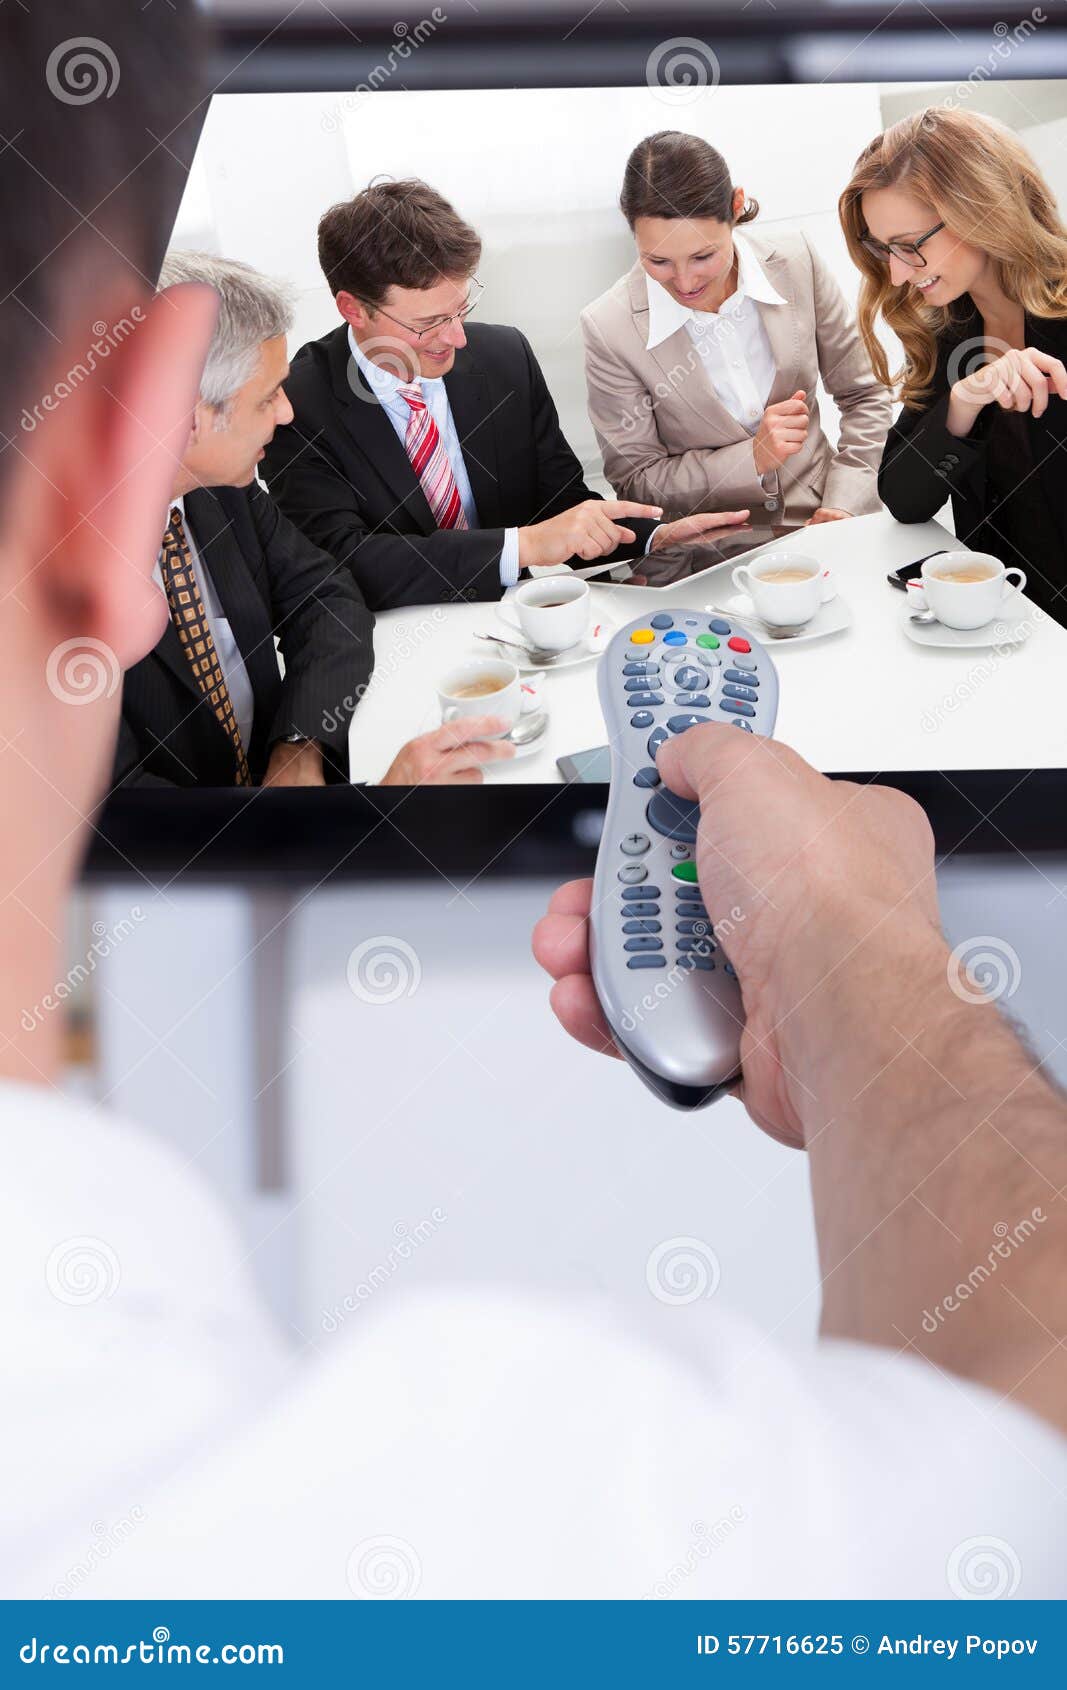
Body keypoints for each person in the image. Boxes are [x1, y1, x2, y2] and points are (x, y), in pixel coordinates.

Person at [3, 4, 1066, 1602]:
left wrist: (301, 763)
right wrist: (857, 946)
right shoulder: (629, 1515)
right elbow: (1028, 1433)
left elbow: (358, 574)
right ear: (140, 431)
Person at [116, 252, 515, 790]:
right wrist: (357, 813)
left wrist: (299, 747)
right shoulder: (39, 587)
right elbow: (115, 815)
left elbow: (328, 599)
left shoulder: (222, 492)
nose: (286, 412)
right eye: (267, 398)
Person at [260, 179, 752, 612]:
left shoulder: (504, 358)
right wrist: (522, 547)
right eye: (428, 323)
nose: (456, 338)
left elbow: (561, 505)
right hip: (391, 641)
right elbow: (342, 563)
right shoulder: (295, 404)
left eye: (461, 310)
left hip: (516, 626)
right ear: (353, 309)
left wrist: (652, 539)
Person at [581, 131, 892, 528]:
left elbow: (865, 397)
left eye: (702, 255)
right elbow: (636, 481)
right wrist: (751, 459)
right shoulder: (608, 327)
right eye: (658, 261)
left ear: (736, 205)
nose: (685, 282)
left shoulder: (796, 261)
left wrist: (845, 503)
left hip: (826, 522)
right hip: (709, 548)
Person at [841, 107, 1067, 627]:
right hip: (1003, 626)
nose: (897, 275)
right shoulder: (949, 331)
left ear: (983, 208)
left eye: (910, 246)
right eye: (884, 249)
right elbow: (905, 500)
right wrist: (963, 402)